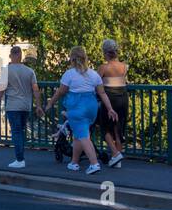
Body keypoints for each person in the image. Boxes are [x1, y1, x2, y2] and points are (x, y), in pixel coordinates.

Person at [46, 46, 118, 175]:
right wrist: (110, 109)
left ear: (72, 59)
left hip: (76, 107)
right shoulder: (93, 74)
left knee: (84, 136)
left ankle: (94, 163)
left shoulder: (69, 74)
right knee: (79, 134)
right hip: (91, 107)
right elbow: (102, 93)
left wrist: (50, 103)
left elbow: (60, 92)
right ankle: (74, 162)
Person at [0, 45, 44, 168]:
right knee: (21, 131)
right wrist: (38, 106)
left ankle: (20, 159)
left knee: (16, 132)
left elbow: (1, 90)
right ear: (21, 56)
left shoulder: (6, 70)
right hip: (26, 106)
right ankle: (20, 156)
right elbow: (35, 89)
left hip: (13, 106)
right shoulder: (30, 71)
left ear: (11, 56)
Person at [97, 39, 129, 168]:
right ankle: (118, 160)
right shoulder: (124, 67)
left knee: (104, 126)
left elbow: (96, 82)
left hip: (109, 98)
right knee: (118, 128)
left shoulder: (103, 67)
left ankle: (115, 154)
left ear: (105, 53)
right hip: (123, 98)